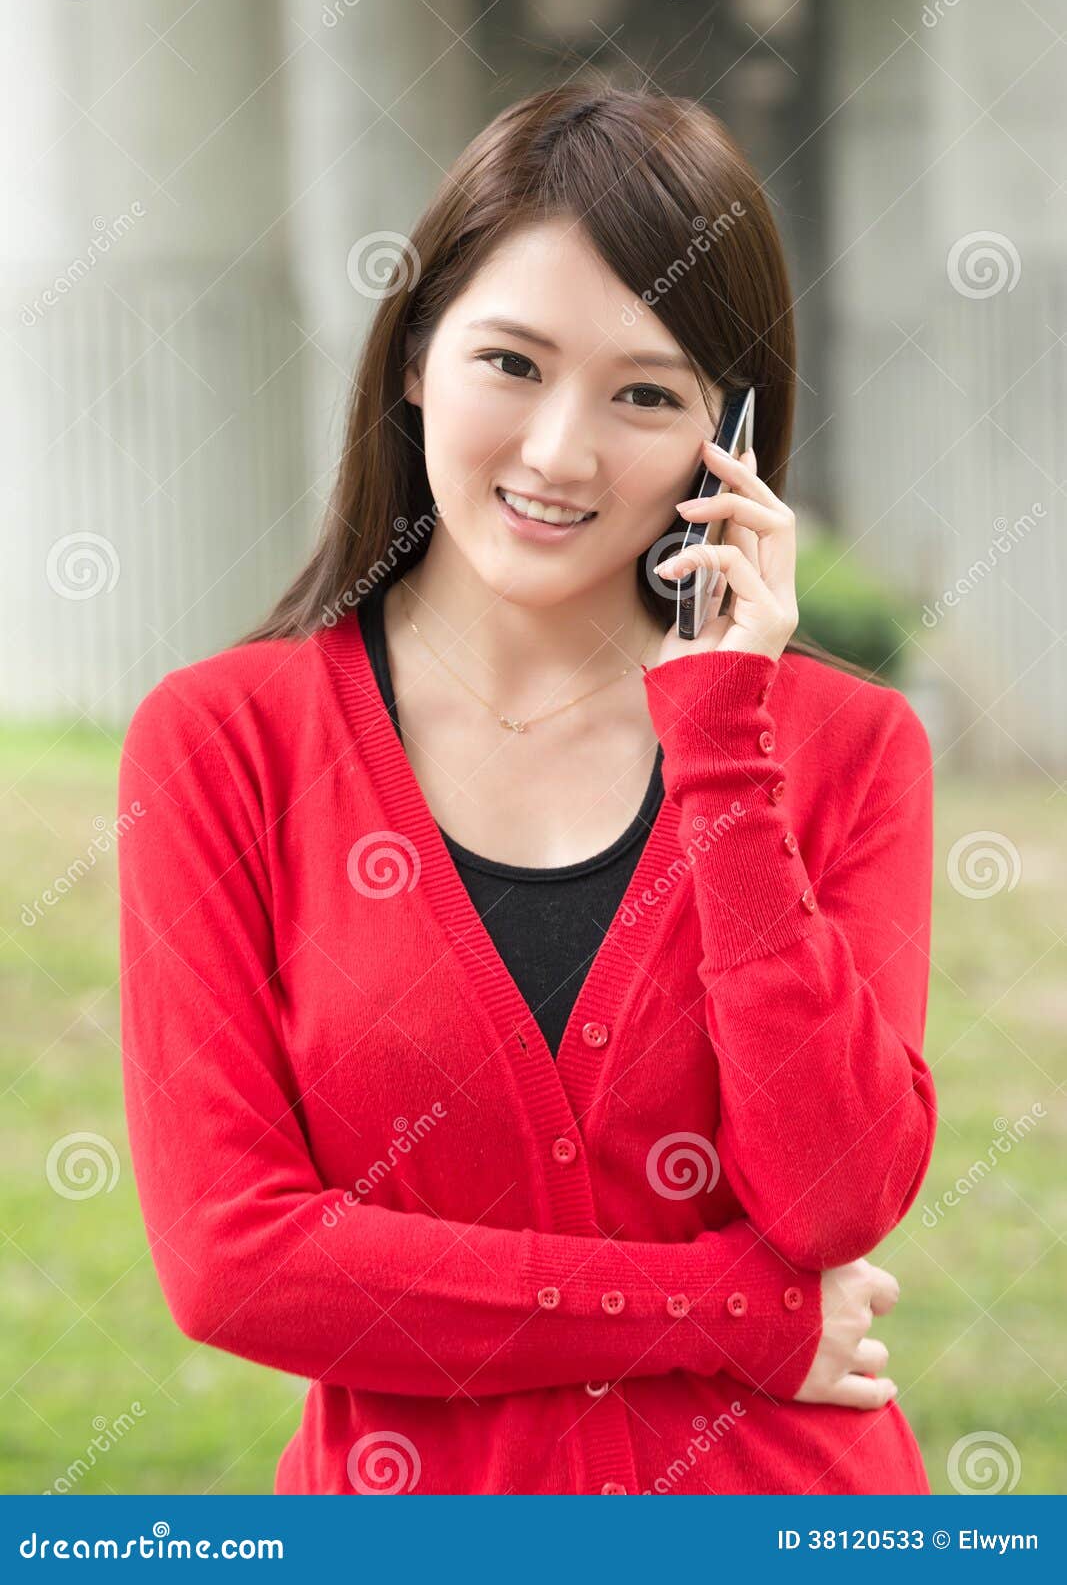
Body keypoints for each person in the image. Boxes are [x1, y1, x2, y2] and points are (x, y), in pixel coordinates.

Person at [117, 78, 937, 1496]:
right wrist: (729, 1311)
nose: (561, 453)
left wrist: (724, 746)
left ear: (724, 438)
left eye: (645, 394)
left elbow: (832, 1195)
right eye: (513, 362)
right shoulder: (221, 744)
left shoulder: (843, 750)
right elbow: (236, 1260)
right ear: (418, 355)